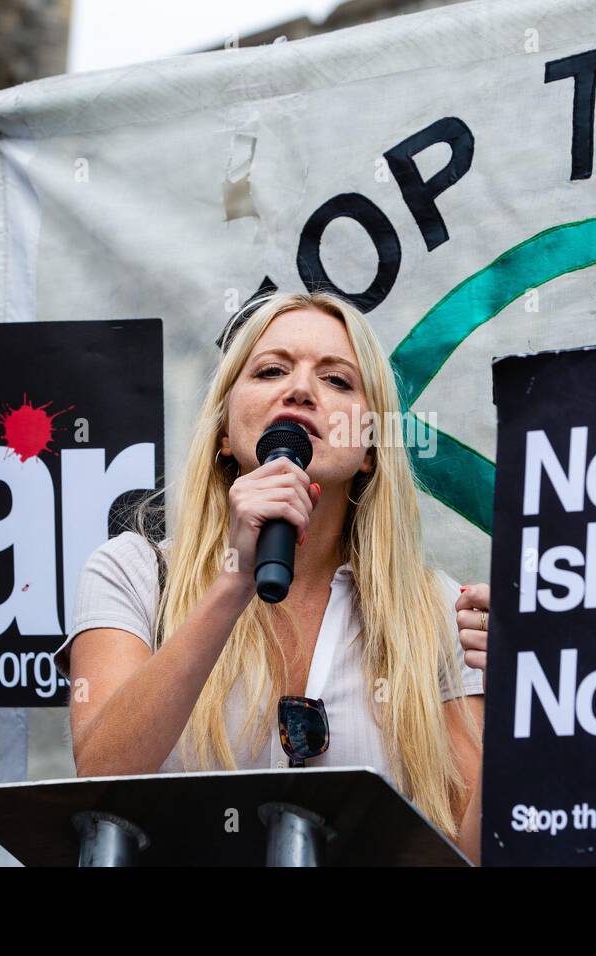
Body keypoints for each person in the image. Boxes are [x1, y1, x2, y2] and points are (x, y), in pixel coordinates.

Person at [52, 290, 493, 863]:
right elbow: (103, 778)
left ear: (368, 451)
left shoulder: (434, 610)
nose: (301, 391)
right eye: (271, 370)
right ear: (223, 434)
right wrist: (234, 580)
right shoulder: (134, 573)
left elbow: (470, 853)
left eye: (338, 380)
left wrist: (518, 708)